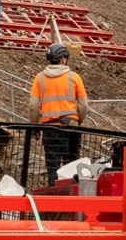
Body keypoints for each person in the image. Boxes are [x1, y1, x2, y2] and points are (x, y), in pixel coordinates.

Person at [31, 42, 87, 177]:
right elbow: (83, 105)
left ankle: (53, 189)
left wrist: (34, 126)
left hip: (49, 129)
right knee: (71, 168)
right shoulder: (74, 77)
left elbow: (33, 106)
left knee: (52, 168)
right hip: (70, 128)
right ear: (63, 59)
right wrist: (79, 121)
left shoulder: (40, 78)